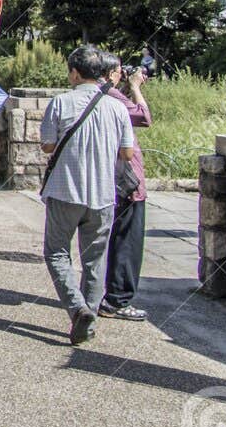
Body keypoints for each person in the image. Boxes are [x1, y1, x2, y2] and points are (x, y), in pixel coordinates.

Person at [40, 44, 137, 345]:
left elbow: (46, 145)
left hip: (64, 191)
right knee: (94, 259)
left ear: (74, 72)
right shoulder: (118, 107)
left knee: (57, 253)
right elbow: (127, 152)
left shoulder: (60, 102)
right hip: (103, 194)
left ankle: (77, 308)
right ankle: (89, 317)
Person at [101, 53, 152, 321]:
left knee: (109, 238)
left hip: (107, 179)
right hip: (127, 181)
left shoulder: (97, 95)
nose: (122, 75)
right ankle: (118, 299)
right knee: (128, 241)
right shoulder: (112, 95)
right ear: (110, 74)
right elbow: (143, 116)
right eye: (119, 72)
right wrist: (134, 88)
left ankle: (103, 294)